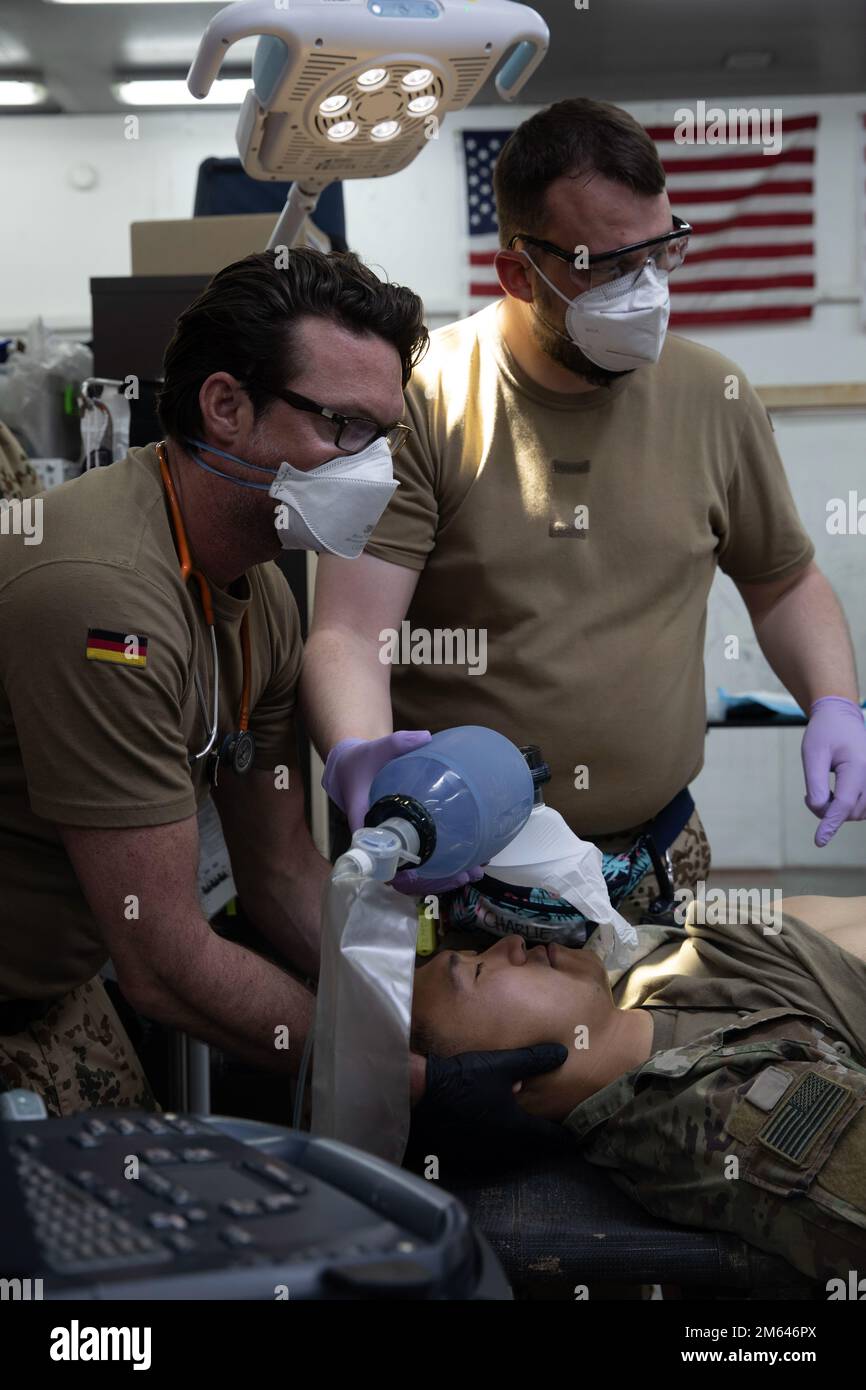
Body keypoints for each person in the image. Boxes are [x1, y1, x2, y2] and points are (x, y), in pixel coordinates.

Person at [302, 97, 866, 932]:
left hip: (660, 850)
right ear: (520, 274)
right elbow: (351, 633)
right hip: (467, 865)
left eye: (663, 249)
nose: (648, 289)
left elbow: (783, 581)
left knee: (665, 1057)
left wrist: (834, 701)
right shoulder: (426, 401)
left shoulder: (713, 396)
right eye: (608, 266)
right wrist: (358, 757)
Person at [0, 247, 427, 1114]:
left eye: (384, 436)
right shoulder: (103, 597)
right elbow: (164, 964)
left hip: (59, 981)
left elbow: (276, 873)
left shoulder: (254, 588)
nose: (372, 468)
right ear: (226, 405)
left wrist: (418, 1004)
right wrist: (410, 1077)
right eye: (343, 427)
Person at [409, 896, 866, 1281]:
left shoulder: (638, 974)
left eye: (475, 953)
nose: (507, 944)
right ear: (499, 1076)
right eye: (477, 972)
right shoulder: (729, 1117)